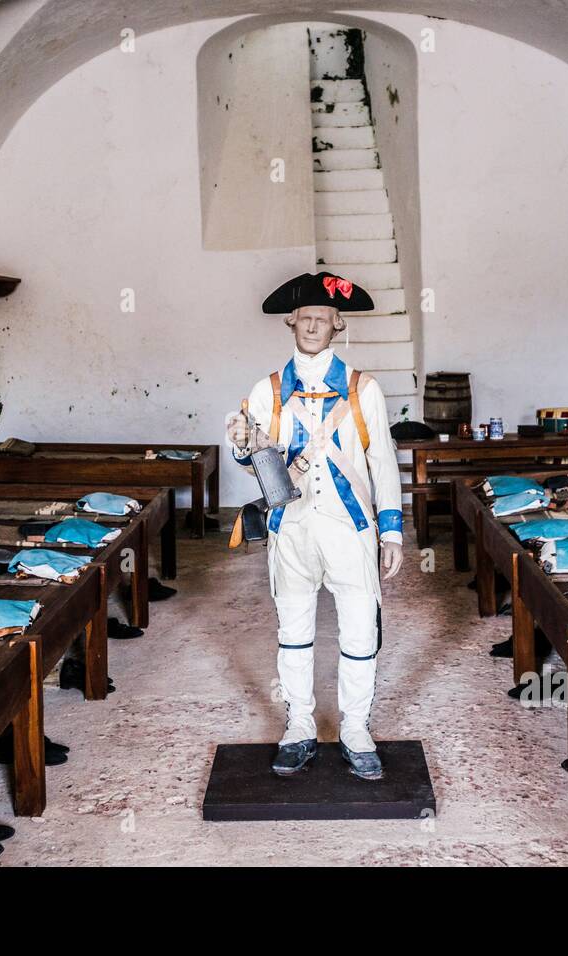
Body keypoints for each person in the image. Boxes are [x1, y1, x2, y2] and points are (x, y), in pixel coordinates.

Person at [226, 272, 403, 780]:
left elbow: (383, 463)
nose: (312, 326)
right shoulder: (268, 389)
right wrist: (243, 442)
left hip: (351, 529)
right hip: (292, 528)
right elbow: (253, 456)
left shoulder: (363, 389)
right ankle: (298, 726)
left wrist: (390, 532)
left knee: (359, 632)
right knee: (294, 633)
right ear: (291, 322)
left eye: (322, 318)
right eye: (304, 317)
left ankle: (356, 729)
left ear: (337, 324)